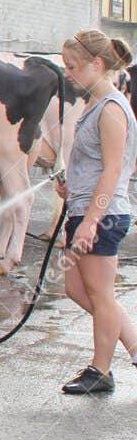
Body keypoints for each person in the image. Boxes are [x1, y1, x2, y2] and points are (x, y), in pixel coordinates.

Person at [54, 28, 137, 394]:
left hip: (103, 216)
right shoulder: (93, 104)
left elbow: (114, 170)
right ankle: (134, 345)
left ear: (97, 64)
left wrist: (90, 222)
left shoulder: (112, 108)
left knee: (101, 295)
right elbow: (94, 166)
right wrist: (71, 189)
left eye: (72, 67)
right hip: (85, 210)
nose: (67, 73)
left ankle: (100, 371)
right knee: (75, 287)